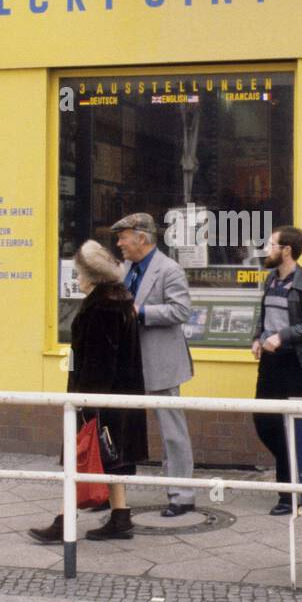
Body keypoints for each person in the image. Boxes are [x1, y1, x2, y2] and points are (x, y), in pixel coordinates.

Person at [30, 241, 149, 543]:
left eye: (79, 273)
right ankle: (121, 518)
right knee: (112, 458)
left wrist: (84, 404)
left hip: (99, 399)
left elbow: (99, 361)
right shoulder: (118, 301)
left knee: (81, 456)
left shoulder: (101, 307)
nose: (76, 279)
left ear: (92, 277)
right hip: (121, 398)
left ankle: (63, 521)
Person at [111, 212, 197, 517]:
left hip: (161, 363)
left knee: (172, 433)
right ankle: (112, 495)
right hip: (128, 363)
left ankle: (181, 495)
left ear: (141, 238)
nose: (119, 243)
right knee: (118, 428)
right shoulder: (126, 269)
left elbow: (181, 310)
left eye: (123, 237)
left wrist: (141, 312)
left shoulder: (169, 269)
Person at [250, 226, 302, 515]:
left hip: (294, 362)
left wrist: (282, 336)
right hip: (270, 361)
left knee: (283, 424)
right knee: (263, 421)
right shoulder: (271, 279)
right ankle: (295, 472)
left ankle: (287, 494)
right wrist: (258, 339)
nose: (266, 249)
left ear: (287, 251)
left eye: (271, 244)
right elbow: (265, 316)